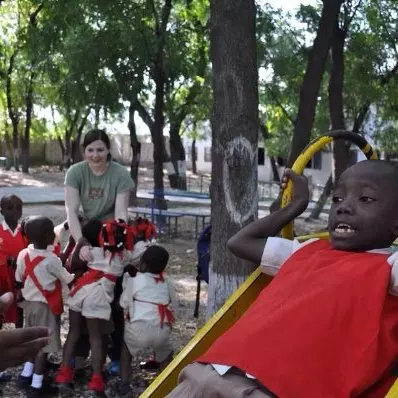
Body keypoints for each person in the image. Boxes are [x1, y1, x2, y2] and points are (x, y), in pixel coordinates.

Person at [168, 160, 398, 398]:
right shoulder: (306, 250)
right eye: (337, 199)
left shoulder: (389, 267)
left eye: (365, 199)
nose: (344, 207)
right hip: (207, 372)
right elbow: (239, 242)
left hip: (270, 390)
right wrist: (296, 205)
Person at [64, 128, 135, 374]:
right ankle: (80, 353)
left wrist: (115, 243)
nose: (95, 155)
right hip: (84, 232)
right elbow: (71, 211)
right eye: (90, 150)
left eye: (100, 150)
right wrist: (81, 243)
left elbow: (121, 213)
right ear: (84, 151)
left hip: (111, 234)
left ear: (108, 151)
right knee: (81, 294)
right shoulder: (75, 172)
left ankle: (115, 355)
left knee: (114, 298)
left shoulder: (120, 174)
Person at [56, 219, 134, 397]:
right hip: (97, 298)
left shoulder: (89, 251)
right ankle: (96, 379)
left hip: (79, 292)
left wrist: (81, 243)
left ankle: (64, 374)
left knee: (73, 333)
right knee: (97, 337)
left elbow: (71, 262)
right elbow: (135, 256)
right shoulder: (121, 256)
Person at [15, 216, 75, 397]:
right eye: (51, 233)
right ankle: (37, 384)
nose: (54, 236)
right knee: (43, 346)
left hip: (29, 305)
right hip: (46, 306)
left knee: (32, 341)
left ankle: (26, 374)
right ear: (46, 236)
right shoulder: (52, 260)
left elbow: (19, 278)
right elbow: (68, 278)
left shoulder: (23, 254)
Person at [114, 243, 176, 396]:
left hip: (138, 332)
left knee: (126, 352)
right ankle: (167, 384)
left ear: (142, 264)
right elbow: (174, 305)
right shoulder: (167, 282)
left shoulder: (134, 281)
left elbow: (123, 304)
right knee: (166, 354)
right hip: (161, 329)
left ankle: (124, 383)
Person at [0, 292, 49, 370]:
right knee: (41, 340)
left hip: (30, 297)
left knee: (34, 341)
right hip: (44, 300)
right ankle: (36, 378)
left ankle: (27, 373)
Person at [0, 195, 27, 329]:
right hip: (3, 279)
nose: (15, 211)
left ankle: (19, 335)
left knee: (19, 309)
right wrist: (6, 260)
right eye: (10, 208)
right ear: (2, 211)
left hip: (20, 278)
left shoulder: (25, 231)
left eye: (19, 207)